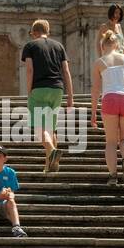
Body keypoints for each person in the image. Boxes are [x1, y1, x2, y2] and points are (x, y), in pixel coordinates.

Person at [21, 20, 74, 175]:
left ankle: (52, 150)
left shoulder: (30, 46)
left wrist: (29, 91)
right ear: (48, 31)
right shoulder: (59, 46)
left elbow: (29, 70)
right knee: (51, 128)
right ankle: (50, 165)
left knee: (40, 129)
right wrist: (70, 96)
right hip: (57, 89)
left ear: (33, 32)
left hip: (39, 88)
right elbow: (66, 71)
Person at [91, 28, 124, 185]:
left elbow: (96, 90)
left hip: (110, 98)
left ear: (103, 45)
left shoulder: (99, 62)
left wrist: (93, 112)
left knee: (111, 141)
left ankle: (113, 176)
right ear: (117, 44)